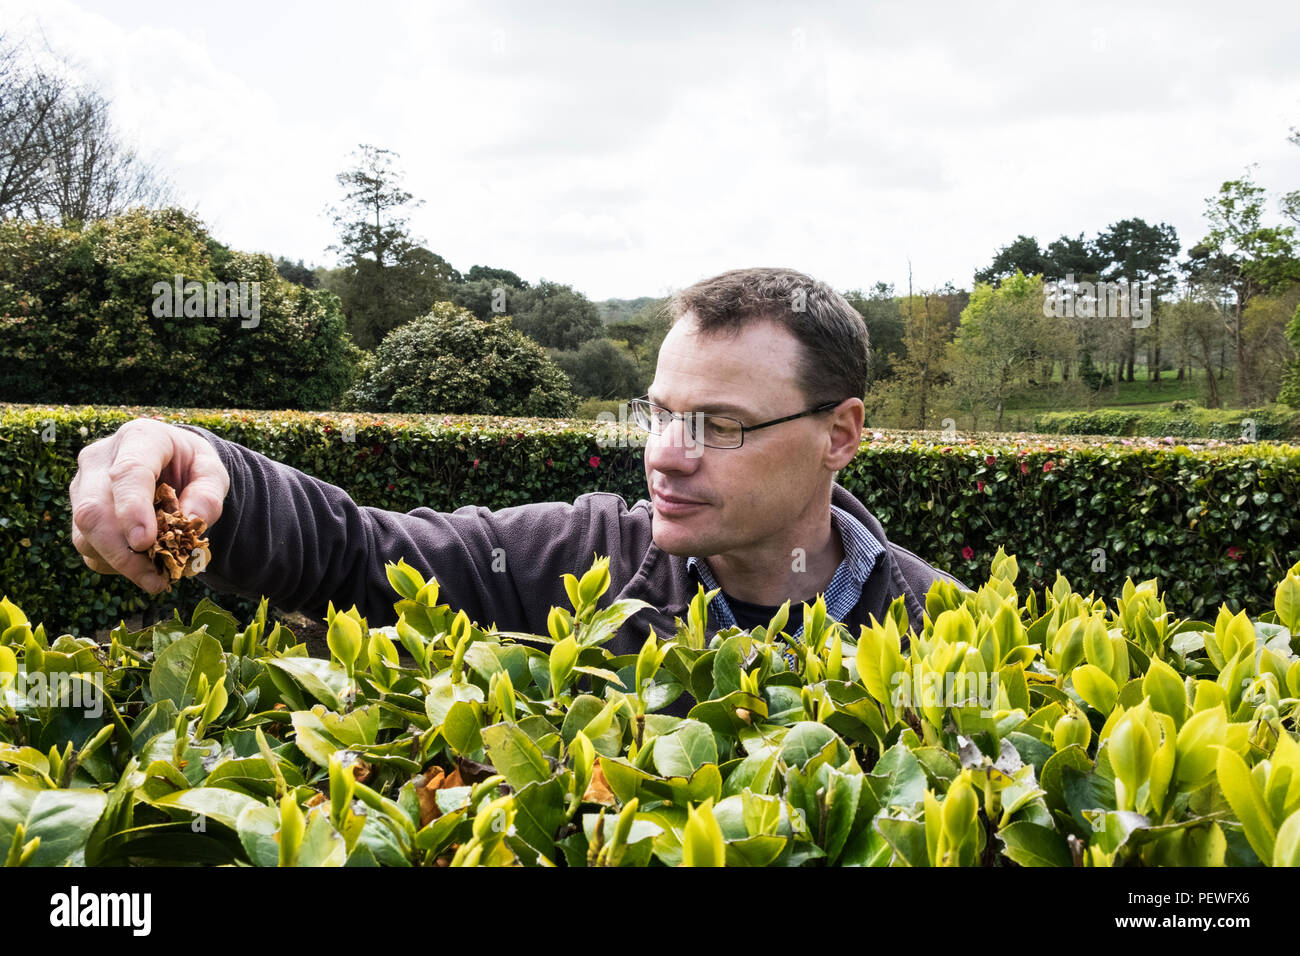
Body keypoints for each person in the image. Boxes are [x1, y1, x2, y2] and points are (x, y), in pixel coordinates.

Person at [69, 266, 964, 692]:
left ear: (839, 434)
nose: (664, 455)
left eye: (720, 426)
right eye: (658, 414)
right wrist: (202, 464)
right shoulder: (572, 558)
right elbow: (359, 555)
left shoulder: (947, 629)